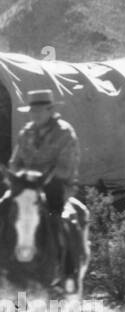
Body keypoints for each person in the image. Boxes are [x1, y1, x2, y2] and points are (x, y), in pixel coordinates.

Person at [9, 89, 82, 281]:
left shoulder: (64, 132)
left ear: (50, 110)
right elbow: (15, 162)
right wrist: (19, 175)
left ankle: (68, 269)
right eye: (33, 111)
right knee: (5, 206)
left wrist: (38, 177)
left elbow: (66, 167)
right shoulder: (26, 132)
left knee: (56, 218)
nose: (35, 115)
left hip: (56, 184)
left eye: (40, 111)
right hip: (26, 185)